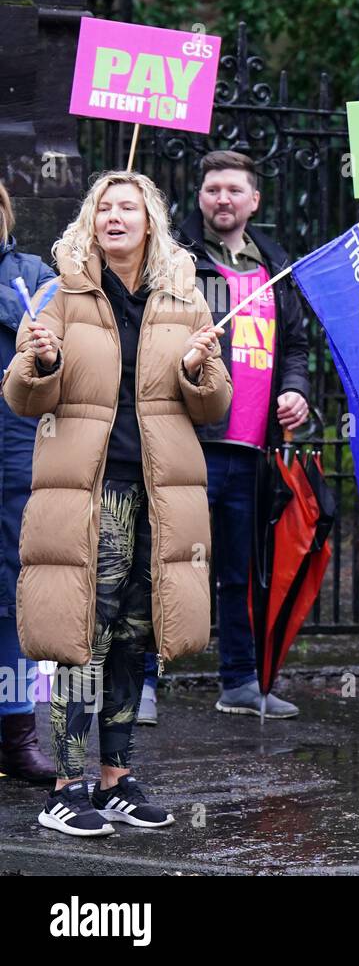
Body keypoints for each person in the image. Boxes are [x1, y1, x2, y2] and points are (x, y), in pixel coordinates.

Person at [2, 170, 230, 836]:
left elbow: (214, 406)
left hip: (161, 492)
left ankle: (116, 776)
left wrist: (197, 369)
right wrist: (40, 361)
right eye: (104, 207)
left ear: (150, 221)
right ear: (90, 222)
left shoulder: (183, 299)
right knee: (84, 635)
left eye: (128, 207)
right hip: (91, 493)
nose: (115, 216)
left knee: (136, 635)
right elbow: (21, 394)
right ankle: (67, 786)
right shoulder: (61, 294)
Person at [162, 150, 312, 723]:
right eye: (212, 189)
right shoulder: (181, 264)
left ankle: (241, 682)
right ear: (200, 199)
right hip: (191, 444)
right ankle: (145, 680)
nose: (221, 198)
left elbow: (295, 347)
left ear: (254, 201)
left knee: (241, 572)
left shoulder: (276, 265)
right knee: (168, 561)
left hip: (254, 449)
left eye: (233, 189)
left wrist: (296, 390)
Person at [0, 180, 57, 783]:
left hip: (15, 457)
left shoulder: (31, 270)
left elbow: (50, 339)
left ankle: (17, 734)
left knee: (12, 595)